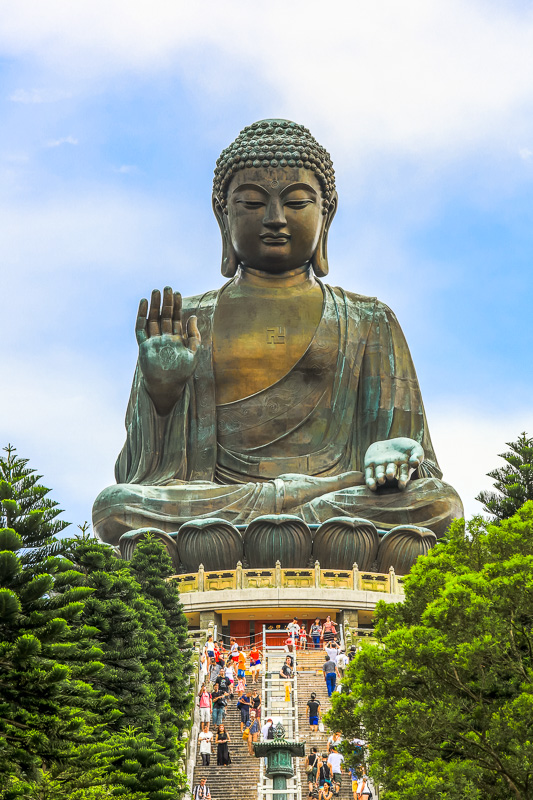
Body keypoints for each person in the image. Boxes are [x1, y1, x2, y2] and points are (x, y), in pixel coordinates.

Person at [94, 119, 463, 556]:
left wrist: (392, 452)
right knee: (116, 507)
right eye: (251, 203)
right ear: (222, 214)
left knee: (440, 504)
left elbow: (411, 458)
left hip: (335, 497)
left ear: (327, 213)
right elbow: (139, 476)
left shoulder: (368, 319)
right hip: (218, 504)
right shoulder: (187, 321)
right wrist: (162, 397)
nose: (274, 219)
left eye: (297, 202)